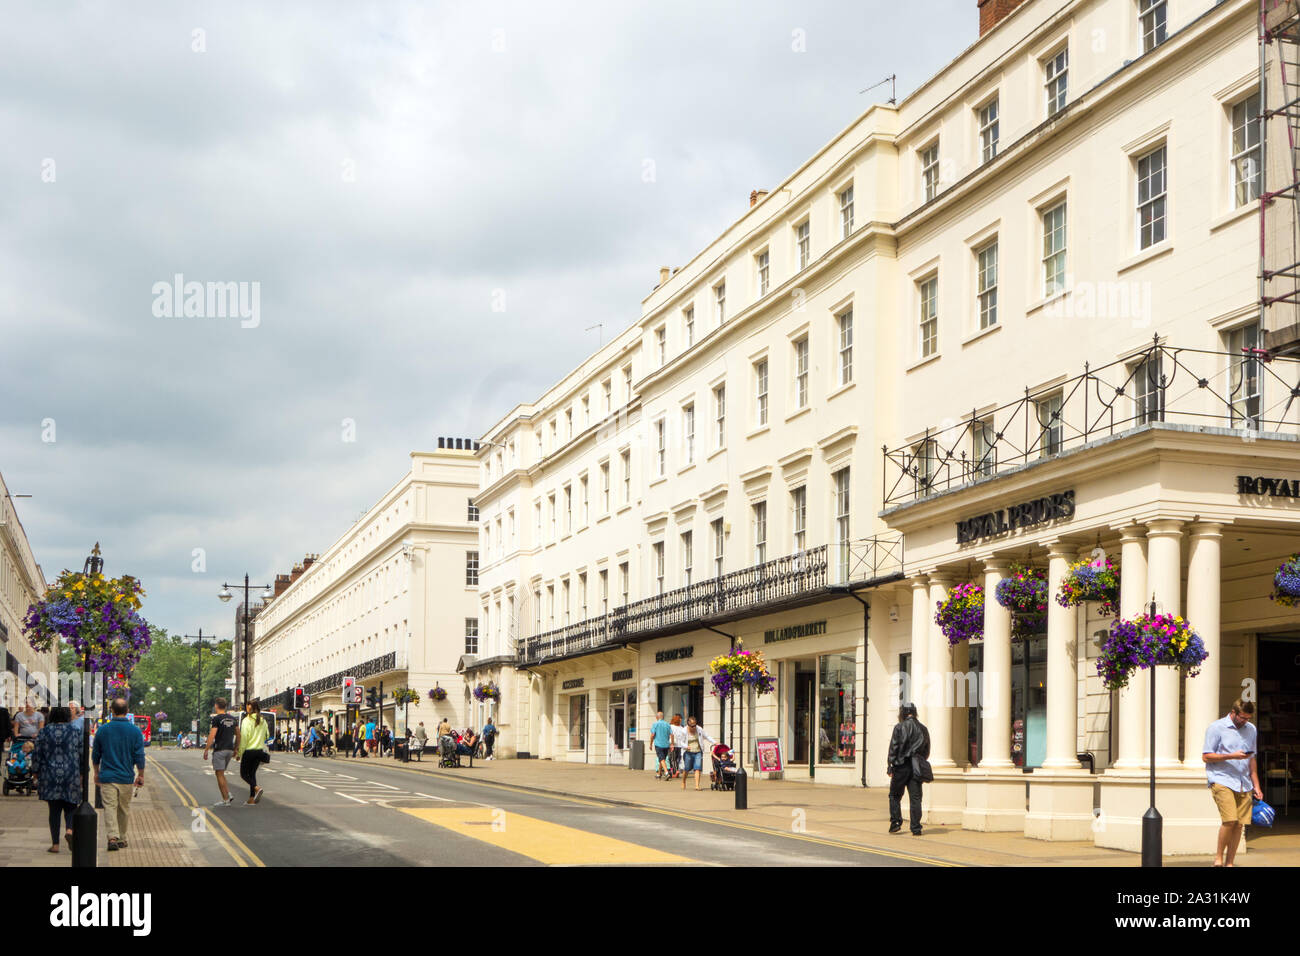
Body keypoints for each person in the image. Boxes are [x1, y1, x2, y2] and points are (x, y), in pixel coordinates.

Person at [1203, 698, 1262, 867]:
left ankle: (1230, 862)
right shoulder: (1216, 728)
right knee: (1229, 820)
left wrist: (1256, 785)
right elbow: (1206, 756)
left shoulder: (1251, 729)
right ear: (1233, 712)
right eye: (1242, 718)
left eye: (1248, 718)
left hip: (1244, 781)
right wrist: (1232, 755)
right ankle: (1219, 858)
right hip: (1221, 778)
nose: (1245, 721)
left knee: (1238, 825)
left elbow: (1251, 759)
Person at [91, 697, 146, 851]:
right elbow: (139, 756)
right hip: (126, 777)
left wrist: (96, 772)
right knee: (123, 808)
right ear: (127, 712)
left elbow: (95, 755)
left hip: (107, 776)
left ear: (112, 711)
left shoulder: (103, 730)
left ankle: (112, 837)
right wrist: (140, 774)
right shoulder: (135, 731)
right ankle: (121, 837)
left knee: (109, 807)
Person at [36, 706, 82, 853]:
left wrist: (35, 771)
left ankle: (55, 845)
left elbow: (37, 754)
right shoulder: (75, 731)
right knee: (71, 807)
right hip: (71, 773)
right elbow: (81, 753)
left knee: (54, 810)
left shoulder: (44, 731)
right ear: (68, 716)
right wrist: (82, 773)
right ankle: (70, 830)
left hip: (49, 774)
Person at [887, 702, 929, 836]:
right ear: (914, 712)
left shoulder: (899, 727)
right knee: (916, 798)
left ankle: (895, 823)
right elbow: (927, 751)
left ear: (903, 713)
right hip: (916, 766)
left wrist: (890, 765)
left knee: (894, 795)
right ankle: (916, 828)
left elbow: (894, 748)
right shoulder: (923, 728)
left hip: (901, 766)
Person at [204, 698, 240, 807]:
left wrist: (206, 749)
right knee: (221, 773)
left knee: (219, 774)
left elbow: (212, 735)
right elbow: (238, 734)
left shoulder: (217, 719)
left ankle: (225, 800)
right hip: (229, 749)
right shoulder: (233, 719)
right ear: (225, 706)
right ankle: (228, 793)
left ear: (216, 706)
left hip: (220, 750)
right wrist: (236, 749)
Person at [235, 701, 269, 805]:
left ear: (249, 709)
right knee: (252, 774)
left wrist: (239, 753)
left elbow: (244, 738)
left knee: (244, 774)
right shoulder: (263, 721)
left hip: (249, 751)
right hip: (259, 751)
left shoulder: (247, 720)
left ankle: (256, 788)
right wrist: (259, 739)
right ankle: (251, 799)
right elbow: (267, 735)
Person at [680, 716, 716, 791]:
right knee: (687, 769)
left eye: (694, 725)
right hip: (688, 752)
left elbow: (707, 736)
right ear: (688, 724)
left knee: (697, 768)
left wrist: (715, 742)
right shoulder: (684, 731)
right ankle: (683, 782)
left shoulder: (699, 729)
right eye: (692, 726)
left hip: (698, 751)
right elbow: (680, 742)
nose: (693, 727)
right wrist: (686, 746)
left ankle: (697, 786)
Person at [650, 710, 671, 779]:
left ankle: (666, 772)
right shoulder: (667, 724)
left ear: (657, 717)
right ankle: (659, 774)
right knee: (662, 759)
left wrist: (650, 744)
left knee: (661, 759)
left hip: (658, 745)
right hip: (666, 745)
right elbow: (672, 734)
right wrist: (672, 744)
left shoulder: (655, 724)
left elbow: (652, 735)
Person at [668, 715, 685, 779]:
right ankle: (676, 770)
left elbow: (670, 735)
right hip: (680, 745)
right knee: (677, 759)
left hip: (673, 744)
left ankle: (675, 771)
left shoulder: (671, 727)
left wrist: (671, 744)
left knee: (672, 759)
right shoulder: (681, 727)